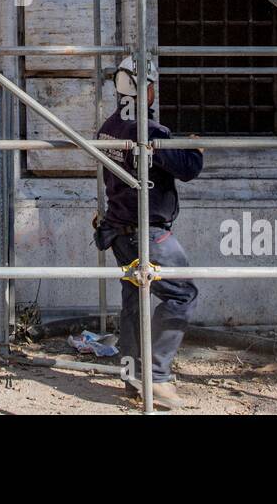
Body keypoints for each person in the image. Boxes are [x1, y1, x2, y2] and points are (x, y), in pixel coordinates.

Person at [93, 55, 204, 410]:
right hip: (148, 234)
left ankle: (131, 376)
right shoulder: (150, 132)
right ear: (148, 89)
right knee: (181, 293)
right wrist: (196, 149)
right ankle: (156, 377)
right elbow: (188, 168)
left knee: (133, 301)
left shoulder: (108, 127)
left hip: (118, 232)